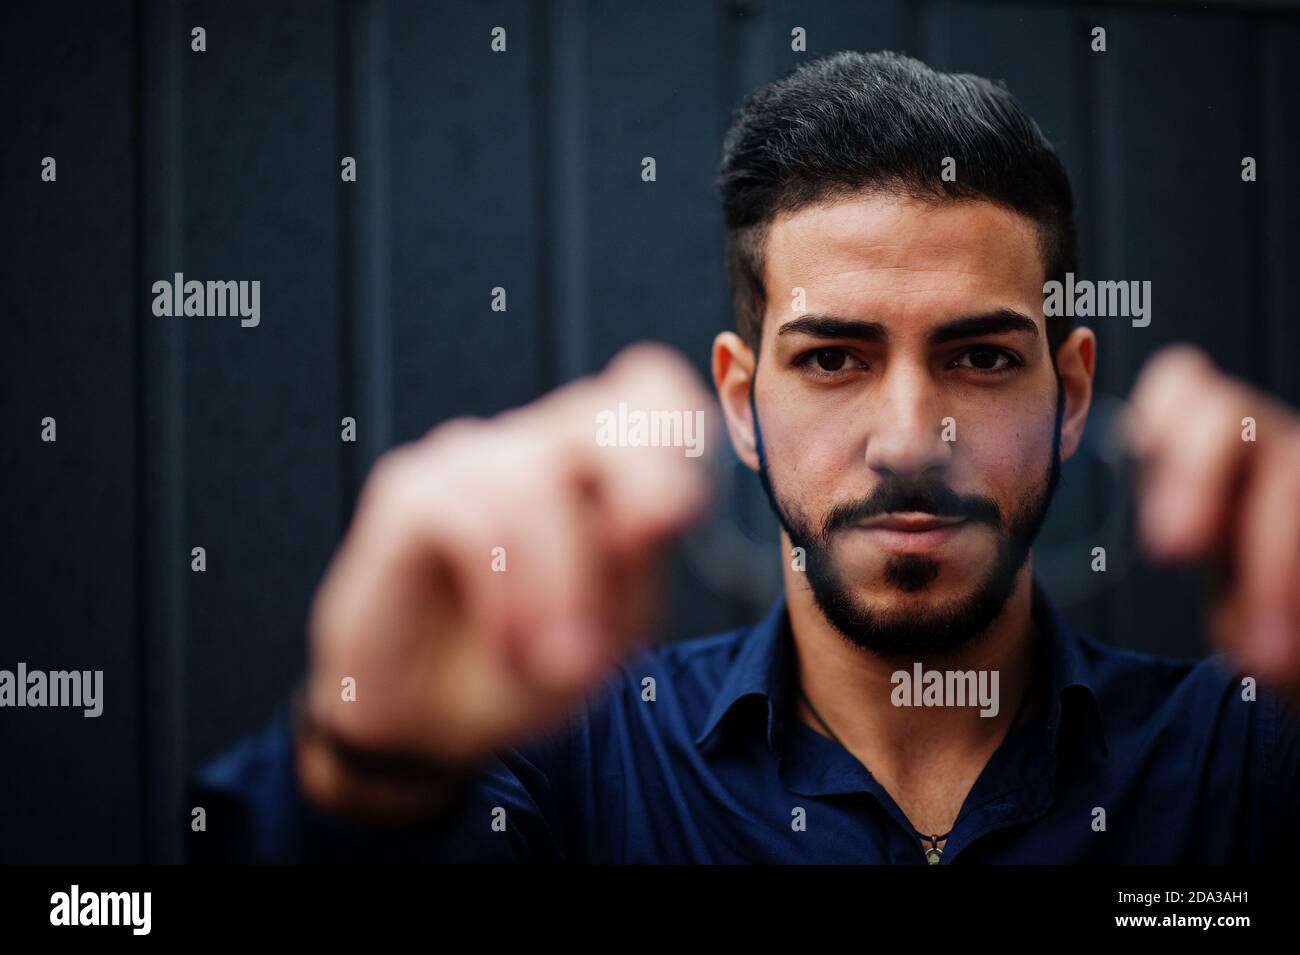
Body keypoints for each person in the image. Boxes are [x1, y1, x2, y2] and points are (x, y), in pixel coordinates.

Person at [189, 51, 1300, 863]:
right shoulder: (574, 766)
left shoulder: (1244, 753)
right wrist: (361, 774)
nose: (910, 439)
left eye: (978, 357)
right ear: (739, 400)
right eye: (832, 359)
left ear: (1071, 395)